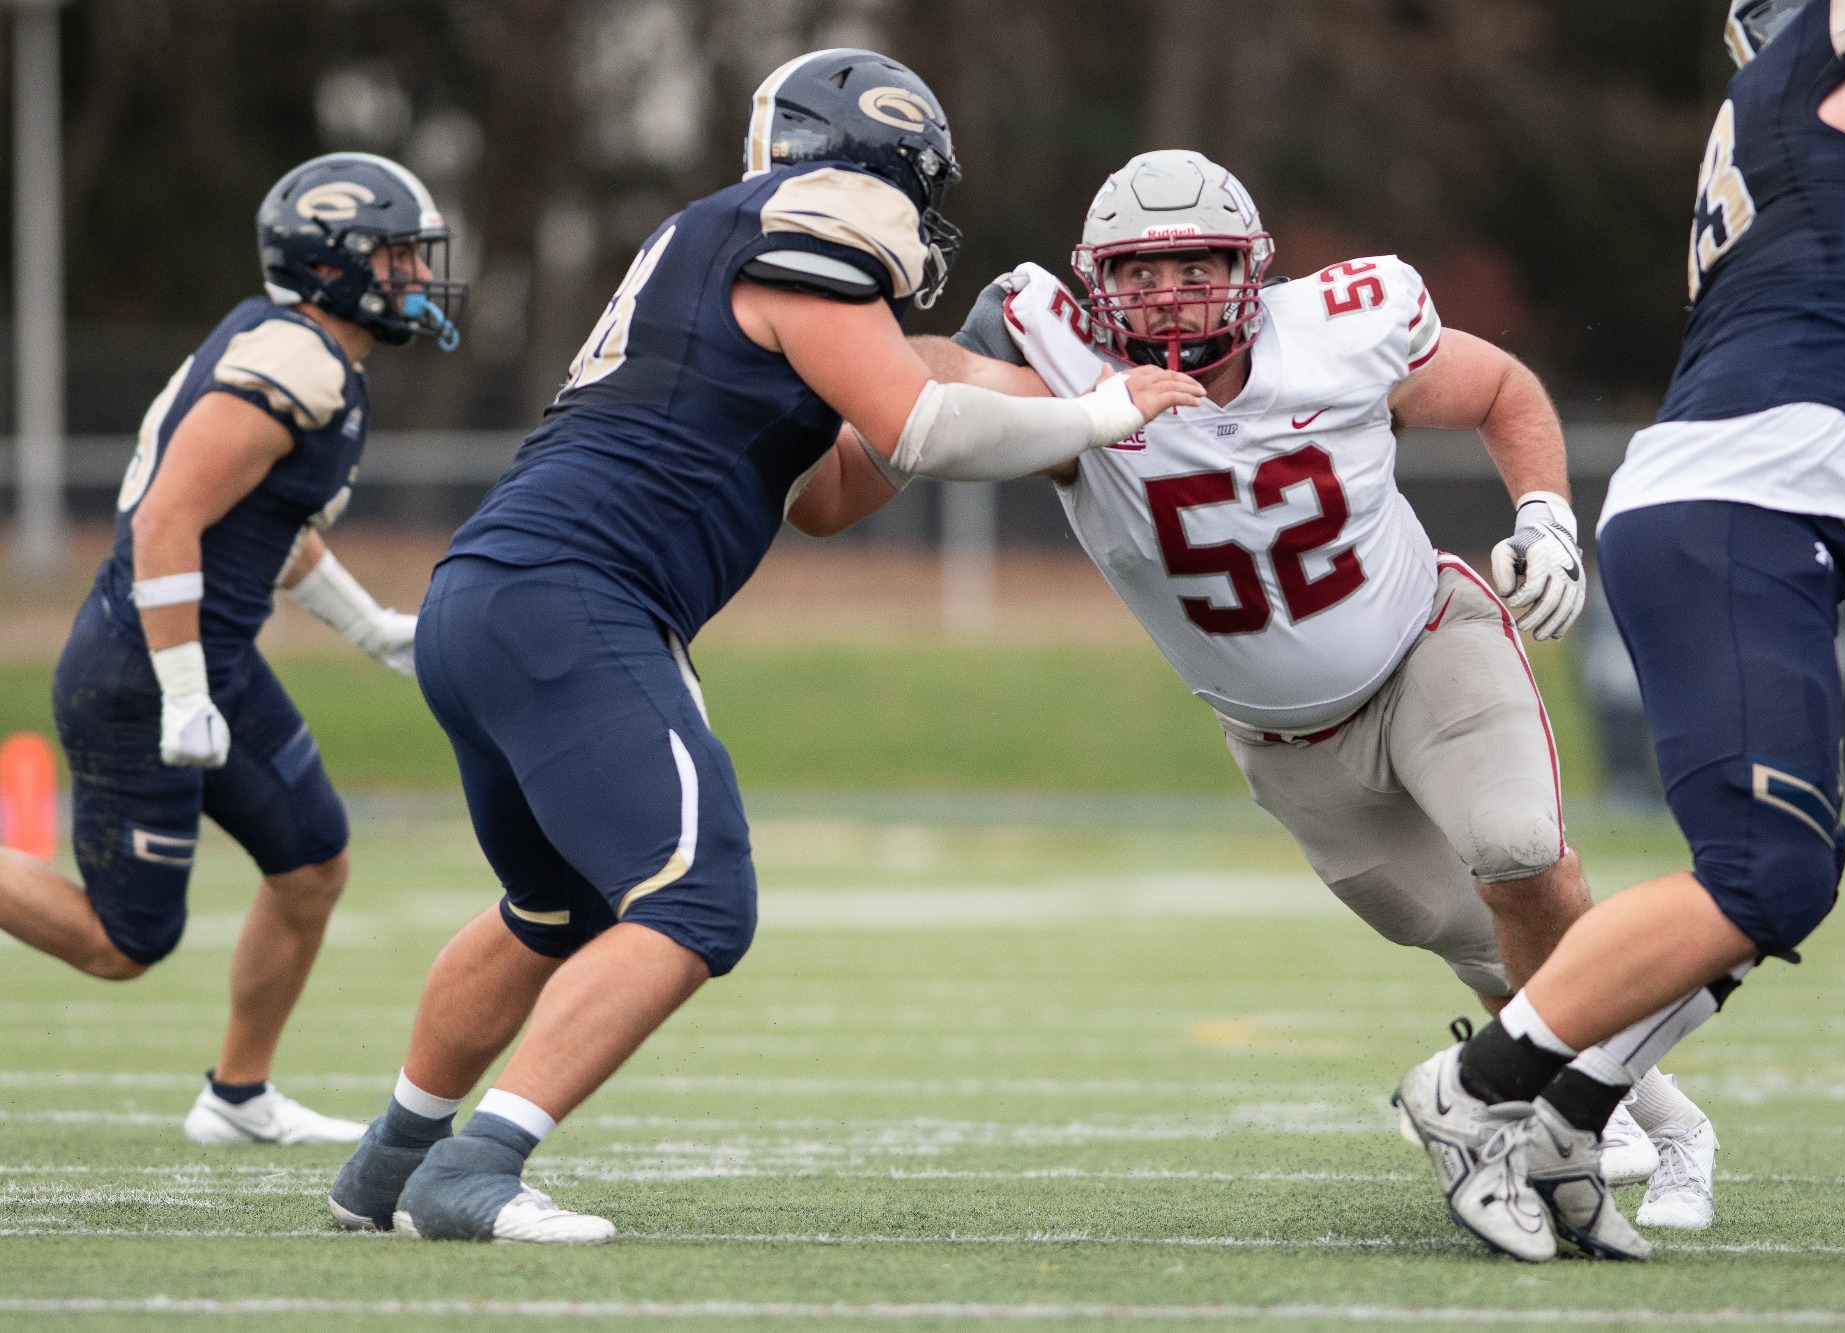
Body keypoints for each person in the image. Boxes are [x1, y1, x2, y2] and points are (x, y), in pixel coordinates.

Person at [327, 49, 1204, 1245]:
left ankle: (387, 1162)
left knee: (553, 906)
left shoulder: (725, 250)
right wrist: (1103, 410)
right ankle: (475, 1166)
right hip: (577, 594)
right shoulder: (804, 225)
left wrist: (948, 363)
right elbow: (922, 423)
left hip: (492, 593)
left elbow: (830, 492)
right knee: (697, 900)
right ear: (888, 166)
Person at [791, 147, 1709, 1218]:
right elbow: (894, 426)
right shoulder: (1060, 374)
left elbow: (1498, 387)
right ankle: (1666, 1113)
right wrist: (808, 382)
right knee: (1474, 941)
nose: (1168, 294)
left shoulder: (1339, 332)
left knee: (1516, 856)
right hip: (1282, 741)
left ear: (1251, 267)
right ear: (1095, 284)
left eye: (1196, 266)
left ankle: (1582, 1123)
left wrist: (1546, 515)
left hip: (1422, 643)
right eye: (1138, 274)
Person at [1395, 0, 1845, 1263]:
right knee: (1760, 868)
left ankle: (1570, 1111)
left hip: (1763, 494)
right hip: (1744, 501)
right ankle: (1477, 1094)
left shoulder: (1804, 104)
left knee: (1790, 869)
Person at [0, 152, 464, 1145]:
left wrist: (369, 626)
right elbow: (167, 517)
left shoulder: (309, 353)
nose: (416, 278)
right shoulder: (294, 360)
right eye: (396, 258)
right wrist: (178, 688)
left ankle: (239, 1096)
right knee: (125, 943)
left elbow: (264, 529)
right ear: (331, 263)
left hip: (202, 658)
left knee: (311, 865)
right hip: (141, 667)